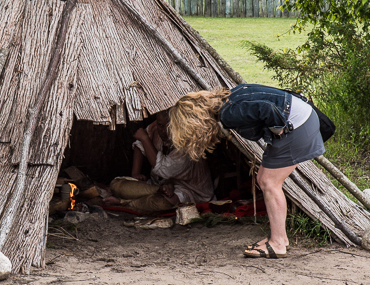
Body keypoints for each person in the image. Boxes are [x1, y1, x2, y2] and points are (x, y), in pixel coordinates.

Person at [168, 84, 325, 259]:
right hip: (301, 119)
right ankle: (280, 239)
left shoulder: (229, 113)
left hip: (297, 125)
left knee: (270, 182)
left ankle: (278, 243)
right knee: (264, 178)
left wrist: (278, 129)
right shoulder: (227, 101)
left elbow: (266, 108)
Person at [105, 112, 215, 214]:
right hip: (158, 186)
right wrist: (135, 173)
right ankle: (157, 191)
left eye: (170, 127)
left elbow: (163, 170)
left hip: (189, 190)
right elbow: (139, 143)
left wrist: (145, 139)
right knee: (116, 184)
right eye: (161, 125)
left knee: (162, 202)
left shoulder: (187, 146)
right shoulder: (156, 127)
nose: (164, 131)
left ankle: (122, 203)